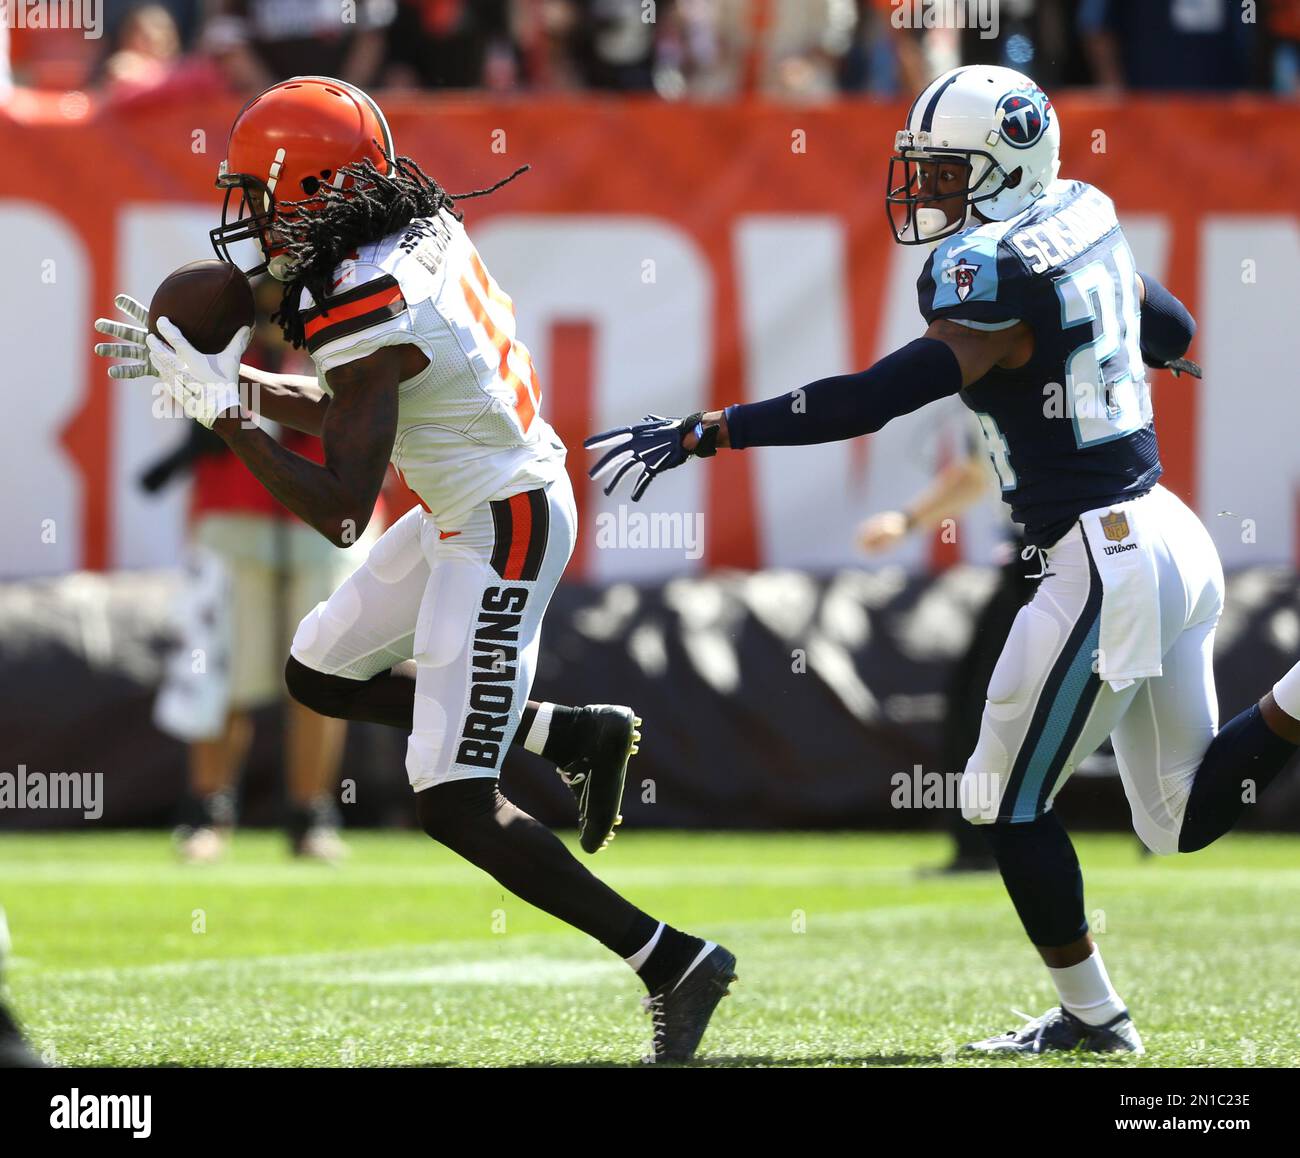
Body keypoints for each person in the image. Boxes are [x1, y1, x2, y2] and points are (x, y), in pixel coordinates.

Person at [588, 64, 1300, 1056]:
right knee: (1176, 821)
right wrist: (1142, 350)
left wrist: (718, 428)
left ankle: (1096, 1020)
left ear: (1003, 167)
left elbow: (873, 398)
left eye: (945, 173)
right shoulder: (1083, 210)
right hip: (1168, 534)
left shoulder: (994, 274)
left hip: (1100, 561)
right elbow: (1166, 322)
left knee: (999, 802)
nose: (925, 193)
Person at [94, 77, 734, 1063]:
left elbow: (344, 504)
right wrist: (242, 385)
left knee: (452, 798)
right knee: (317, 671)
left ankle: (671, 960)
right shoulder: (403, 226)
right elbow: (362, 403)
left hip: (501, 524)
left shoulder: (366, 294)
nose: (248, 223)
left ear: (312, 192)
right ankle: (567, 734)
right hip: (464, 501)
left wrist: (223, 410)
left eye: (259, 198)